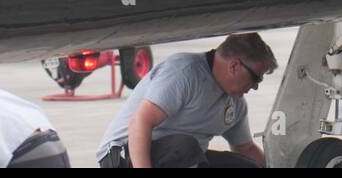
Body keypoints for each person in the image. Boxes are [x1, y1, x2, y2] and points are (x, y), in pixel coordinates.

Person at [96, 32, 278, 168]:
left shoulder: (235, 103)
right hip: (124, 155)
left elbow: (245, 148)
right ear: (234, 66)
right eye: (256, 78)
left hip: (182, 158)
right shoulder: (183, 73)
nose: (255, 87)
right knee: (185, 147)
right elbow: (140, 123)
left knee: (245, 165)